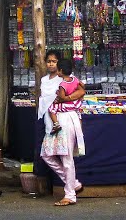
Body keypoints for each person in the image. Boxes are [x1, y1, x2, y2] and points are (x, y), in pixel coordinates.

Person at [38, 50, 85, 207]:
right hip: (52, 119)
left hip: (65, 119)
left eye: (55, 61)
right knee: (47, 154)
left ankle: (70, 194)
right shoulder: (45, 80)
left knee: (66, 158)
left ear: (60, 67)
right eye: (49, 61)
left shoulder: (66, 80)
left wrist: (66, 98)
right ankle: (73, 184)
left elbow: (81, 90)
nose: (52, 64)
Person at [49, 57, 83, 135]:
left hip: (67, 105)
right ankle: (79, 128)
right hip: (75, 104)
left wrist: (58, 94)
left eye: (57, 70)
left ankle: (56, 124)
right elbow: (83, 86)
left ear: (61, 71)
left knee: (51, 109)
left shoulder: (62, 84)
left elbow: (62, 97)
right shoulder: (74, 79)